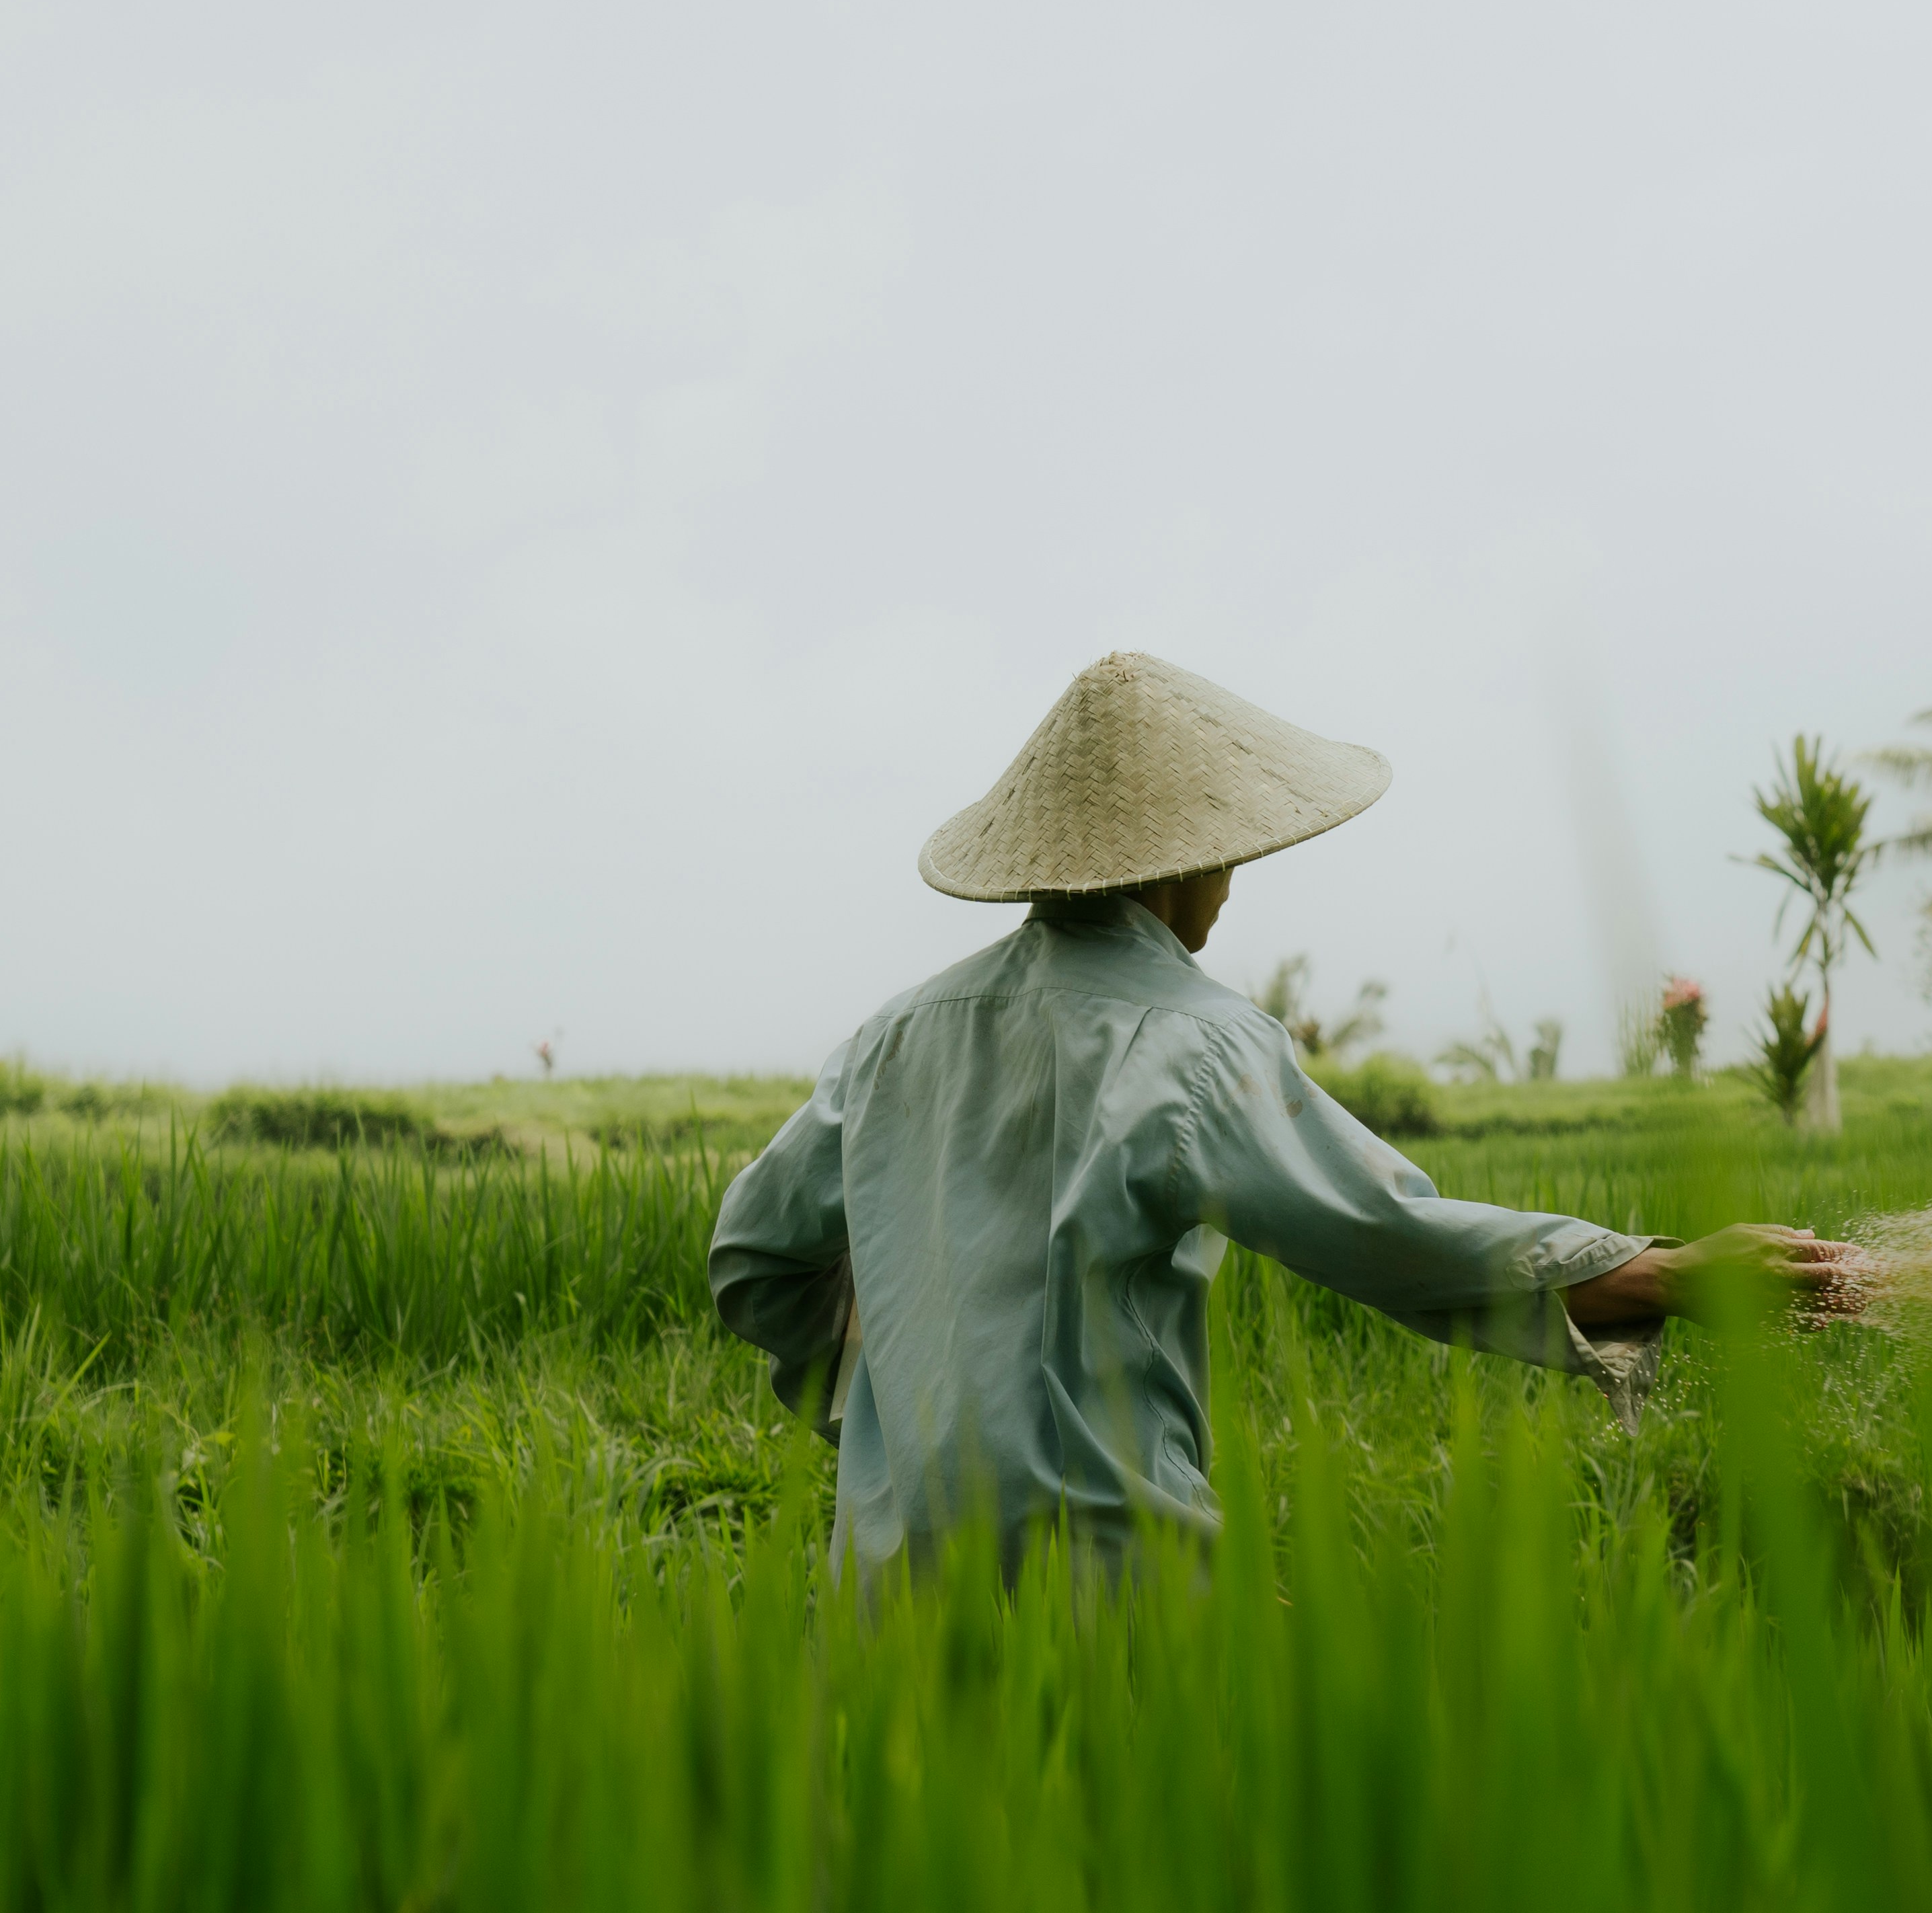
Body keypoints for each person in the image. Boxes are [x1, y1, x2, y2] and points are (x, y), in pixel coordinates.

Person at [709, 650, 1853, 1579]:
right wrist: (1664, 1273)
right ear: (1179, 869)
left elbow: (755, 1258)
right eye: (1226, 860)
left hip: (893, 1586)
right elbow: (1388, 1236)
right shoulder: (1192, 1043)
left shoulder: (894, 1037)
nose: (1229, 886)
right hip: (1110, 1581)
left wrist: (892, 1417)